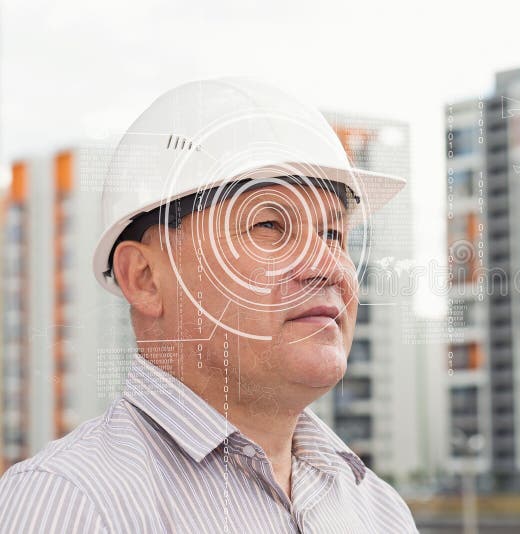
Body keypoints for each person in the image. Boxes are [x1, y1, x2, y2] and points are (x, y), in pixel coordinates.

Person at [0, 78, 418, 533]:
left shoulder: (379, 510)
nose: (326, 266)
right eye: (269, 225)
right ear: (144, 278)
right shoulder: (71, 505)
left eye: (333, 234)